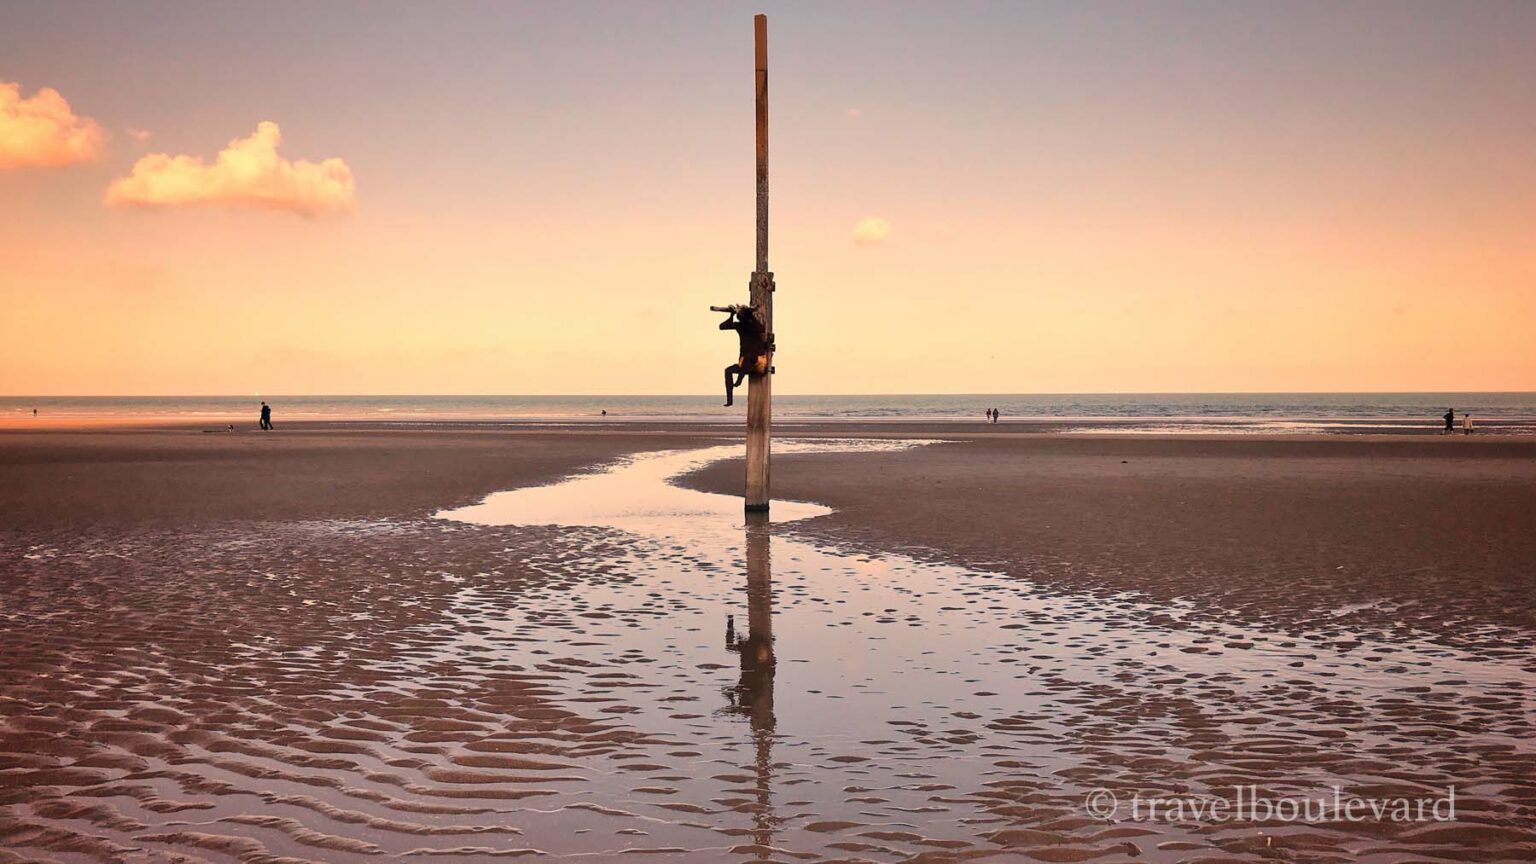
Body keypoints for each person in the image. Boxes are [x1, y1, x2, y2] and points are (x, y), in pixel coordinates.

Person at [717, 305, 772, 407]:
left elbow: (761, 328)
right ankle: (730, 400)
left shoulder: (753, 326)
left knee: (749, 356)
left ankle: (739, 379)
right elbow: (722, 326)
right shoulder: (740, 326)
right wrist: (731, 315)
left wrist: (750, 314)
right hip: (744, 364)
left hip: (758, 362)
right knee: (728, 370)